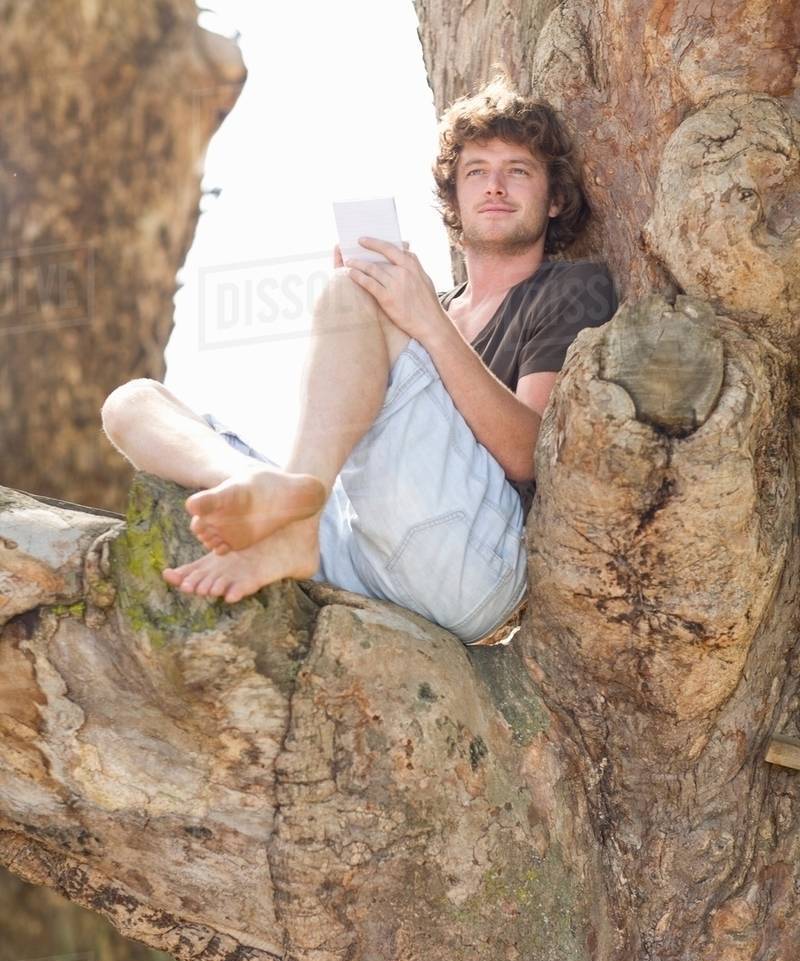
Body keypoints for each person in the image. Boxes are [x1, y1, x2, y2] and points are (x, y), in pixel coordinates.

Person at [101, 70, 617, 645]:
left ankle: (293, 514)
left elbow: (529, 455)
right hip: (357, 542)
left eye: (517, 171)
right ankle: (282, 501)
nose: (494, 186)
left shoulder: (571, 290)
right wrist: (370, 326)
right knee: (131, 404)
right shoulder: (419, 304)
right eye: (476, 172)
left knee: (351, 294)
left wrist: (417, 321)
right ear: (454, 200)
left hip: (471, 566)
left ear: (555, 200)